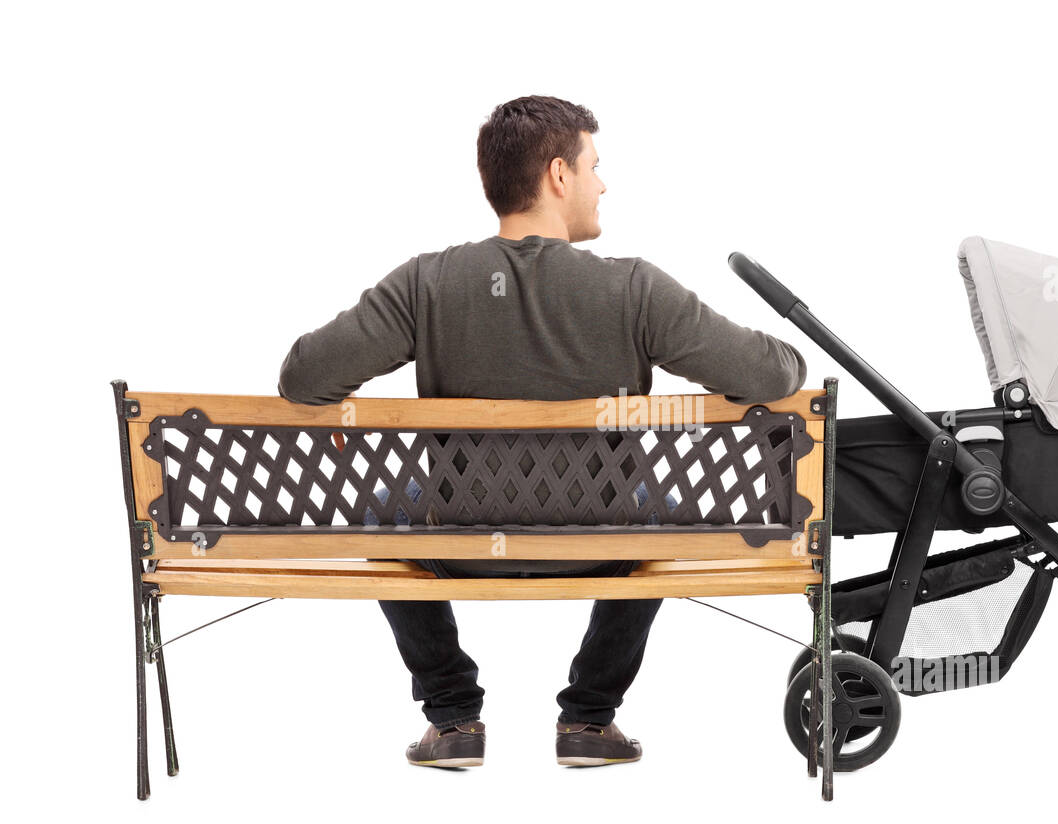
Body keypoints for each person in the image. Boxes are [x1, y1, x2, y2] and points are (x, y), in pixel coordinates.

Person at [276, 95, 806, 770]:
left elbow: (302, 378)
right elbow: (774, 374)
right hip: (602, 537)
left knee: (381, 515)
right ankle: (588, 719)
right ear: (559, 175)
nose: (602, 184)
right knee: (669, 522)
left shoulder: (425, 284)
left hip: (459, 535)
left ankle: (452, 715)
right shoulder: (635, 289)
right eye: (594, 166)